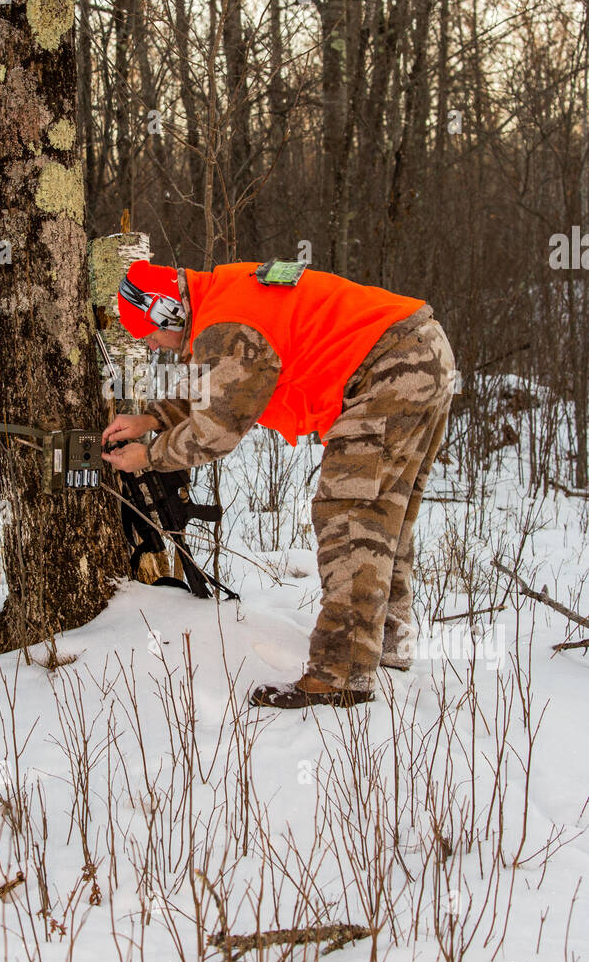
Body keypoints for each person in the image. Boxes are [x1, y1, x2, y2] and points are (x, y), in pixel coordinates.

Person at [101, 259, 455, 710]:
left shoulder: (227, 324)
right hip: (420, 351)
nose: (153, 346)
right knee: (384, 512)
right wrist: (151, 418)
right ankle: (388, 639)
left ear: (166, 311)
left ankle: (340, 674)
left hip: (391, 366)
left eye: (149, 335)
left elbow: (216, 431)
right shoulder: (225, 298)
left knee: (349, 514)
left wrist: (148, 455)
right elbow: (221, 384)